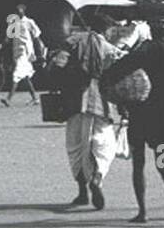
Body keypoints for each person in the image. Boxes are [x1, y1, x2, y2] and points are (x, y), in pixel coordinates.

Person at [101, 14, 164, 226]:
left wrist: (109, 83)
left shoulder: (146, 50)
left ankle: (142, 211)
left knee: (138, 162)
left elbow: (118, 69)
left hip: (141, 113)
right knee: (162, 160)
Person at [51, 14, 121, 211]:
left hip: (73, 103)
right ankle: (97, 179)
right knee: (103, 146)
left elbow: (57, 65)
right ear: (106, 30)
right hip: (100, 104)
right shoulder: (108, 48)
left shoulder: (73, 42)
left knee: (77, 148)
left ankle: (82, 192)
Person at [1, 3, 43, 107]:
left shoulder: (29, 22)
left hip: (26, 52)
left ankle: (8, 99)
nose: (18, 13)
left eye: (20, 11)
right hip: (17, 51)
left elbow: (37, 36)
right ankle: (35, 98)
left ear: (24, 11)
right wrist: (1, 45)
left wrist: (40, 52)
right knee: (25, 76)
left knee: (16, 74)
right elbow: (8, 37)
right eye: (17, 11)